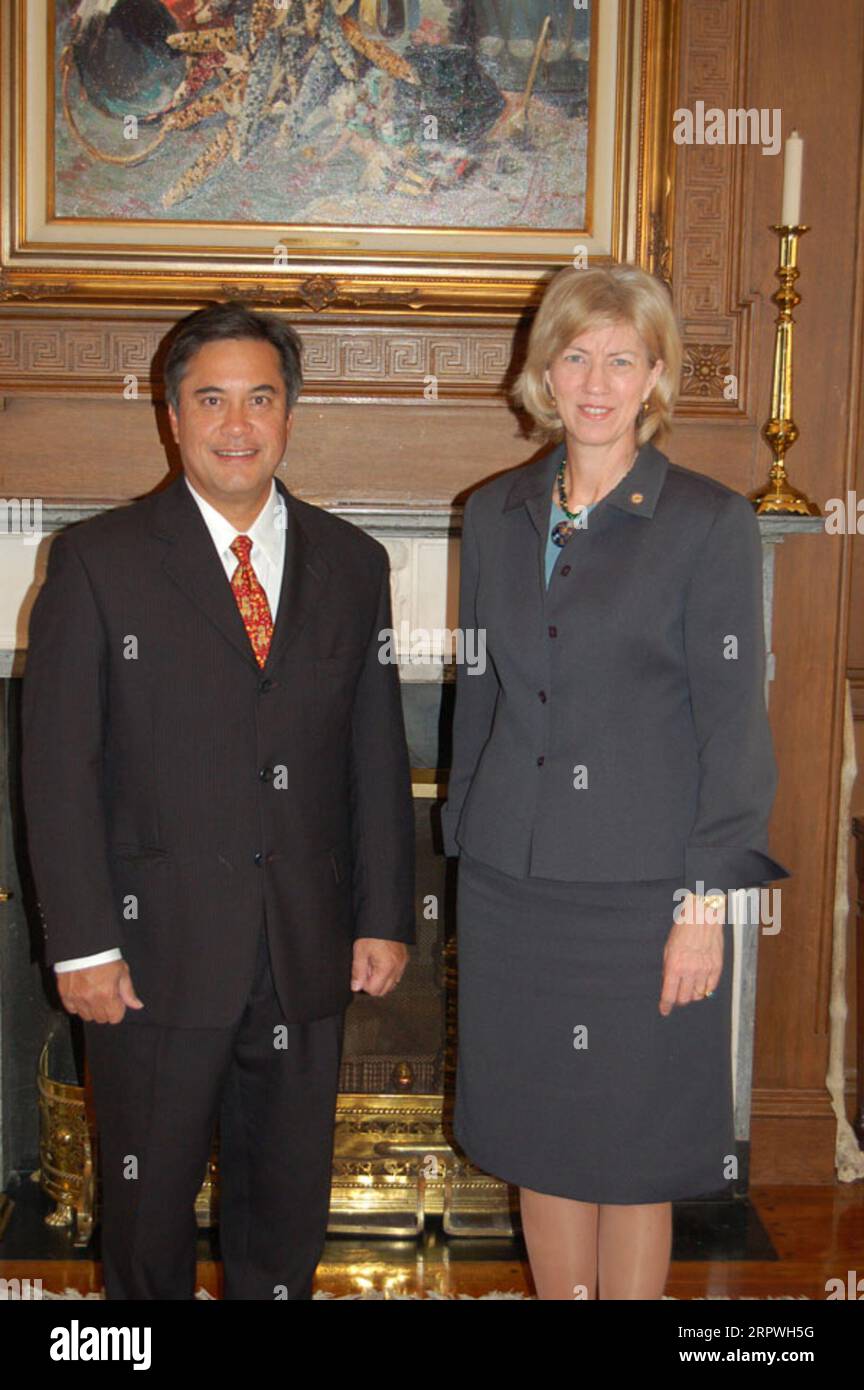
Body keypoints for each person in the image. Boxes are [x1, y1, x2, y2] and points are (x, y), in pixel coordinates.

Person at [21, 302, 415, 1300]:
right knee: (146, 1221)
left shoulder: (353, 564)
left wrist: (382, 914)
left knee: (285, 1211)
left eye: (260, 399)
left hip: (304, 946)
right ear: (171, 416)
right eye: (211, 400)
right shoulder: (97, 562)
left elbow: (375, 751)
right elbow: (56, 769)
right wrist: (82, 943)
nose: (237, 425)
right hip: (150, 959)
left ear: (289, 413)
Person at [441, 264, 789, 1300]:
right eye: (577, 356)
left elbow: (734, 728)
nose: (596, 382)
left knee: (631, 1150)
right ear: (544, 371)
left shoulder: (706, 522)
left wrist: (706, 903)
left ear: (655, 377)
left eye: (621, 360)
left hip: (647, 894)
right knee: (541, 1137)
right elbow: (480, 691)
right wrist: (465, 843)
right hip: (514, 882)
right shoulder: (494, 512)